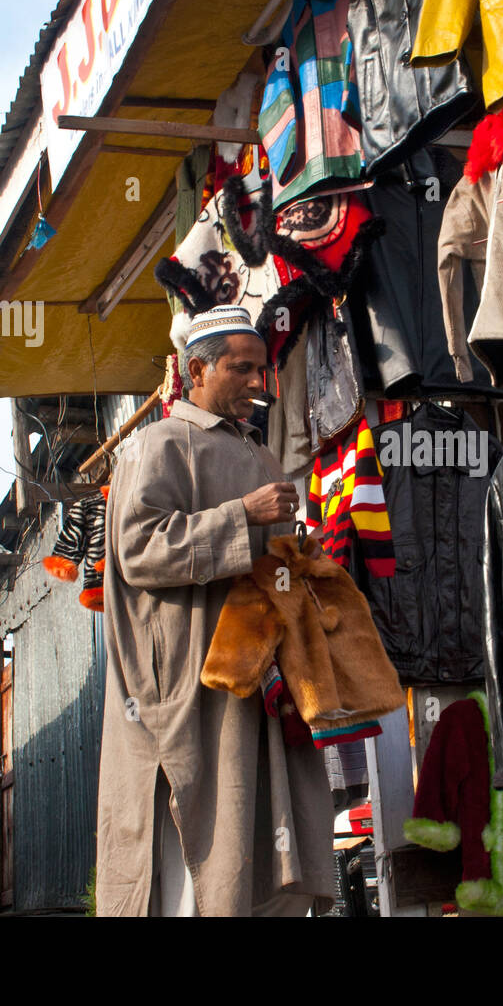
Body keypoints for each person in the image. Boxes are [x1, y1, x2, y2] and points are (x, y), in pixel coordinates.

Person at [95, 306, 335, 916]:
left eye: (263, 370)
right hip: (184, 690)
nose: (260, 383)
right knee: (192, 855)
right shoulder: (158, 444)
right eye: (243, 369)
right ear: (196, 369)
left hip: (258, 689)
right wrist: (241, 516)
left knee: (266, 846)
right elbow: (140, 550)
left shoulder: (260, 456)